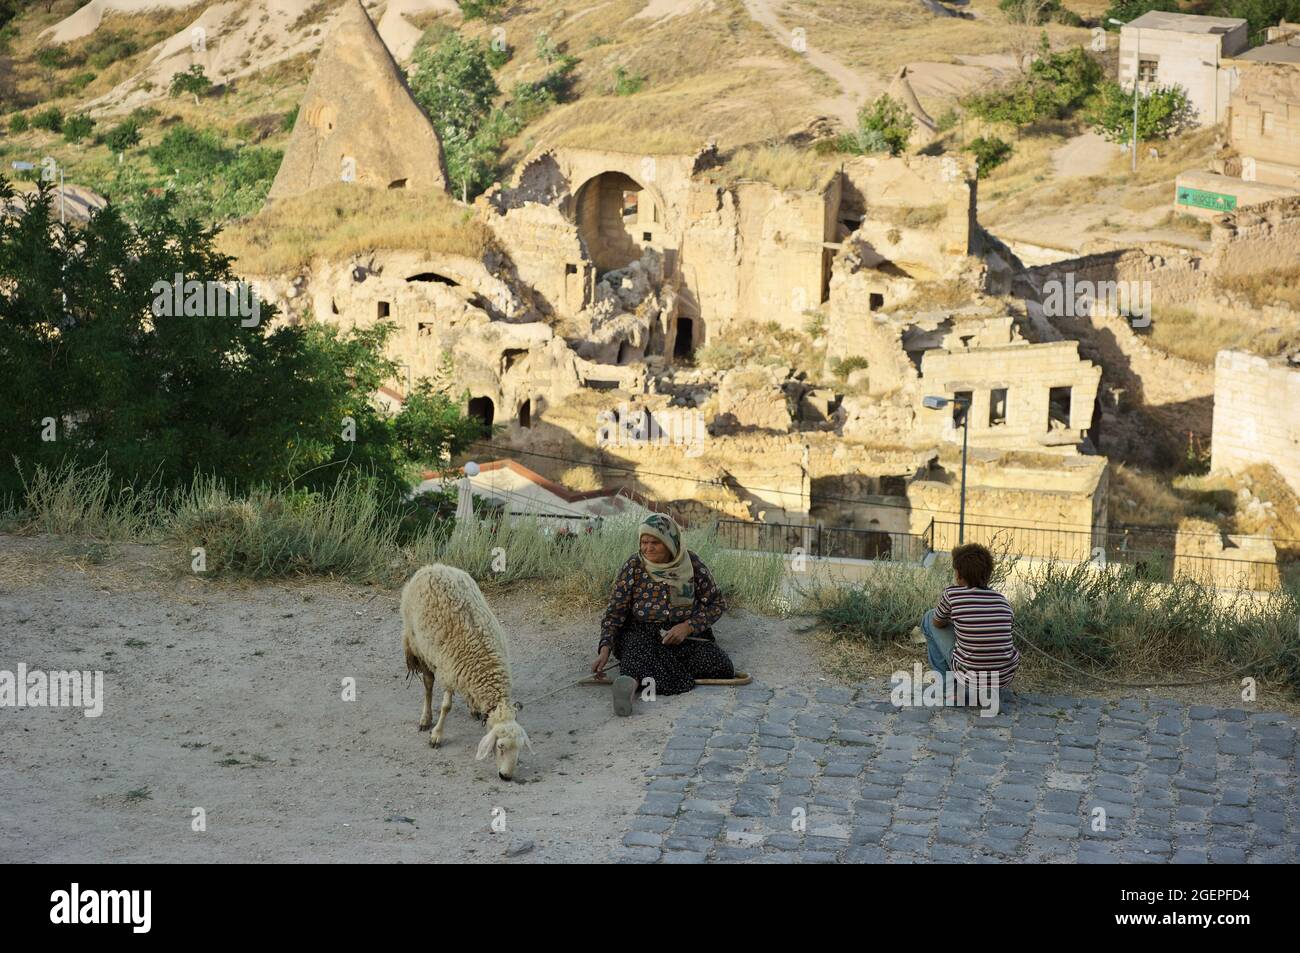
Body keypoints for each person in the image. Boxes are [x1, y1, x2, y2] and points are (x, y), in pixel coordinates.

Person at [591, 513, 734, 715]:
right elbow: (615, 612)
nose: (647, 548)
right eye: (644, 542)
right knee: (636, 651)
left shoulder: (692, 564)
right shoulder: (634, 566)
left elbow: (716, 604)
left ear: (669, 543)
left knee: (721, 666)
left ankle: (645, 674)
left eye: (655, 543)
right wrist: (604, 649)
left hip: (683, 634)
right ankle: (628, 689)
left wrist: (687, 627)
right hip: (641, 632)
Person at [920, 542, 1019, 699]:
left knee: (929, 617)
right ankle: (990, 691)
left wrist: (956, 621)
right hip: (1003, 676)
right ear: (988, 574)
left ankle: (949, 689)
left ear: (958, 574)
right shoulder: (1002, 600)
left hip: (970, 672)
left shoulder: (952, 595)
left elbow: (937, 623)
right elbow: (1007, 631)